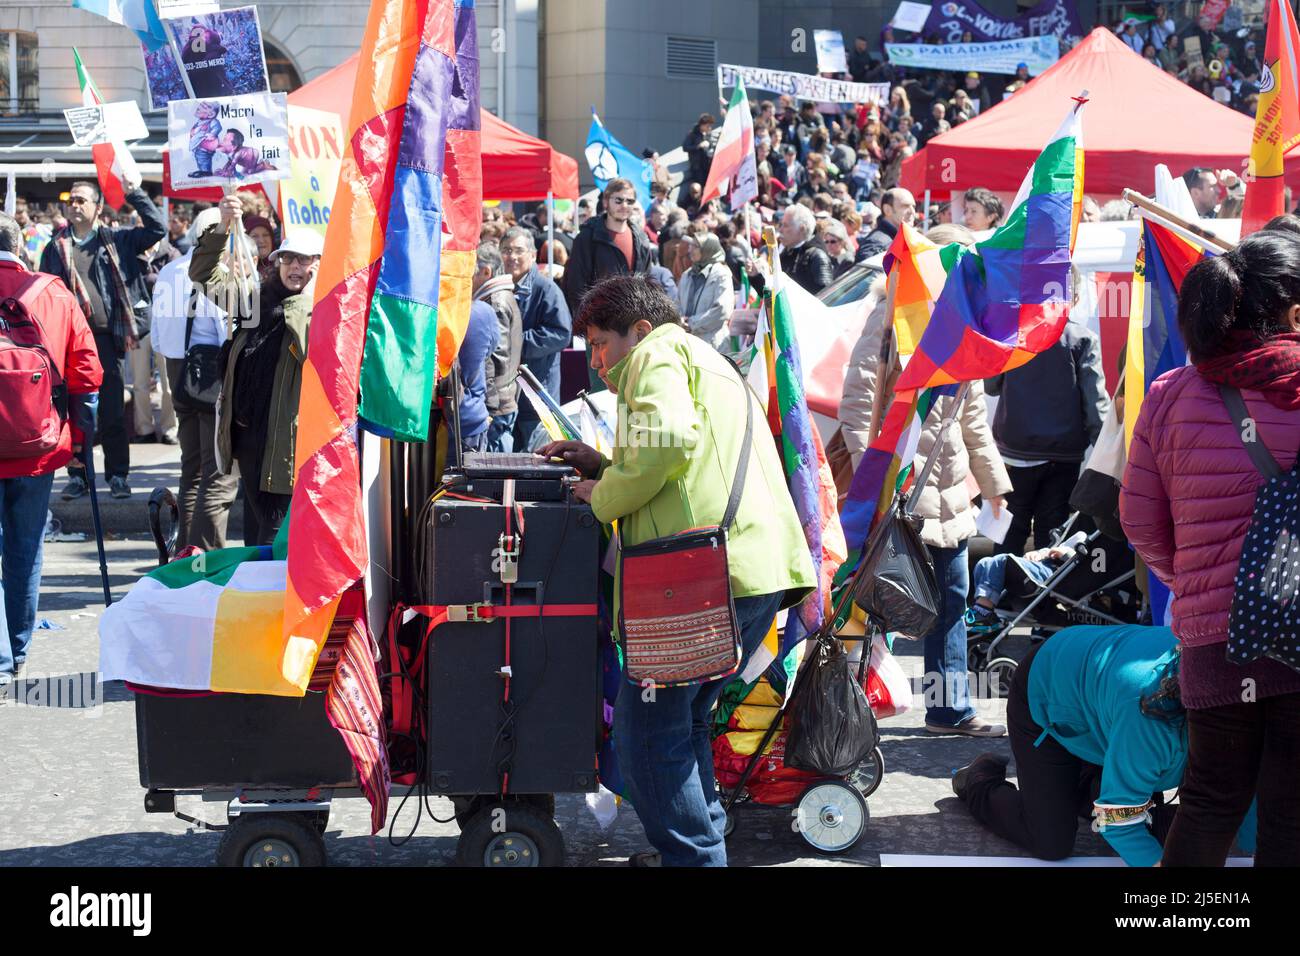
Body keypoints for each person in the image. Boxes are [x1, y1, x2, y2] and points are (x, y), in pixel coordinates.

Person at [538, 276, 815, 866]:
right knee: (682, 724)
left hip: (707, 576)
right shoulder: (703, 356)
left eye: (600, 343)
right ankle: (701, 847)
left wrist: (603, 493)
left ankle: (695, 858)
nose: (597, 360)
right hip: (747, 568)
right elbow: (684, 458)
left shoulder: (655, 351)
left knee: (646, 738)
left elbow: (665, 441)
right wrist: (605, 462)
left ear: (639, 329)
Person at [1121, 230, 1300, 866]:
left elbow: (1138, 521)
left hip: (1213, 641)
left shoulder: (1170, 393)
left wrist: (1198, 583)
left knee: (1208, 802)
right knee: (1291, 813)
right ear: (1293, 313)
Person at [839, 222, 1011, 737]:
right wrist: (872, 473)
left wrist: (995, 483)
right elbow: (859, 397)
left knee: (952, 600)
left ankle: (949, 708)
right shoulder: (890, 314)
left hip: (950, 494)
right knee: (873, 602)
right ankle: (846, 706)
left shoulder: (963, 329)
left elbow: (973, 418)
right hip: (898, 488)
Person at [954, 625, 1256, 865]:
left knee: (1159, 826)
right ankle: (978, 780)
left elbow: (1251, 784)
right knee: (1051, 840)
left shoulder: (1249, 696)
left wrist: (1258, 847)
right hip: (1047, 692)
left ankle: (1092, 787)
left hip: (1105, 703)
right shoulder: (1152, 716)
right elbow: (1117, 820)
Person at [0, 213, 103, 687]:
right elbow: (86, 370)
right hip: (37, 444)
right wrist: (81, 442)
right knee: (26, 546)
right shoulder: (53, 293)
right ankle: (16, 649)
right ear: (20, 246)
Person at [191, 196, 322, 546]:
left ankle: (272, 595)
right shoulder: (255, 300)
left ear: (318, 265)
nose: (295, 267)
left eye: (305, 260)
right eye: (289, 259)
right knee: (259, 525)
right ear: (277, 262)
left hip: (287, 442)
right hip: (248, 437)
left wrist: (309, 302)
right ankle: (255, 595)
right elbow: (203, 276)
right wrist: (222, 226)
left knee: (276, 528)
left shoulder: (321, 313)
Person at [40, 177, 166, 502]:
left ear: (97, 207)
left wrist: (134, 191)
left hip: (109, 342)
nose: (75, 205)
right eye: (72, 201)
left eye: (82, 200)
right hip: (70, 344)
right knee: (74, 412)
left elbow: (157, 228)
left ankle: (118, 476)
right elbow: (45, 294)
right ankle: (78, 476)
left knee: (111, 411)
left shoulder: (118, 241)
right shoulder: (55, 248)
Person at [985, 273, 1107, 556]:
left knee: (1009, 529)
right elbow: (1095, 404)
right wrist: (1104, 455)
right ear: (1074, 299)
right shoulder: (1083, 339)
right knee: (1051, 533)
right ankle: (1041, 596)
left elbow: (991, 386)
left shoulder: (1014, 334)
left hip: (1015, 449)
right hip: (1063, 456)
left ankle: (997, 593)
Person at [150, 208, 238, 550]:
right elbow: (225, 330)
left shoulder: (169, 271)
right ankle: (204, 554)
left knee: (192, 471)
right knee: (215, 472)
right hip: (209, 376)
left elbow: (157, 335)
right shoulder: (216, 273)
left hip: (178, 371)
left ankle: (186, 552)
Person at [564, 179, 653, 391]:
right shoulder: (587, 238)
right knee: (603, 391)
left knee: (634, 389)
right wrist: (589, 327)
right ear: (606, 202)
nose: (624, 205)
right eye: (618, 200)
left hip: (633, 327)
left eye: (630, 201)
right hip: (600, 328)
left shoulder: (640, 237)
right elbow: (575, 285)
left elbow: (648, 283)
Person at [500, 227, 572, 449]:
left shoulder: (546, 289)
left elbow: (561, 333)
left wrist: (516, 343)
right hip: (505, 394)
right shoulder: (500, 287)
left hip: (537, 390)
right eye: (506, 250)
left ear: (532, 255)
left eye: (519, 250)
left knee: (534, 459)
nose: (512, 257)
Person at [472, 241, 523, 452]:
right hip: (503, 398)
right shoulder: (500, 296)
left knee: (497, 473)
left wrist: (489, 407)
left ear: (486, 271)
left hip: (498, 404)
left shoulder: (495, 301)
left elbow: (495, 358)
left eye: (472, 272)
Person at [458, 276, 500, 454]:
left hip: (432, 417)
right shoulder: (482, 312)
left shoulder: (428, 312)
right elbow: (491, 349)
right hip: (470, 415)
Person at [676, 233, 734, 351]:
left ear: (707, 249)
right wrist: (679, 320)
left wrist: (692, 324)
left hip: (713, 344)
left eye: (695, 246)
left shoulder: (721, 274)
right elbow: (677, 303)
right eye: (691, 245)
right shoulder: (687, 274)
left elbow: (722, 310)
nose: (690, 249)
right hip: (688, 342)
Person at [856, 187, 916, 261]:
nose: (912, 211)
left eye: (913, 206)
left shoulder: (901, 238)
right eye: (905, 206)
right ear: (887, 210)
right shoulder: (877, 244)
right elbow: (868, 271)